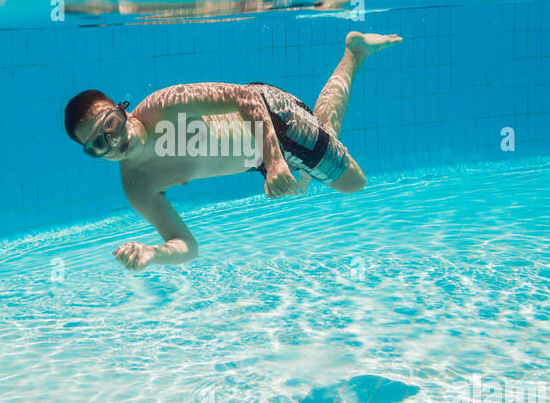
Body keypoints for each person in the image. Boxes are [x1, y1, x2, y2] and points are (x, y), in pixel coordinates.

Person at [63, 30, 402, 270]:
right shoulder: (136, 185)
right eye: (96, 144)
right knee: (306, 173)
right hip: (258, 157)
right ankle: (352, 58)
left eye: (109, 124)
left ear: (121, 110)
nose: (111, 142)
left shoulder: (162, 106)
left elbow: (245, 96)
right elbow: (186, 246)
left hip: (273, 119)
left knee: (353, 183)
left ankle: (353, 54)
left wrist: (274, 162)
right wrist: (154, 254)